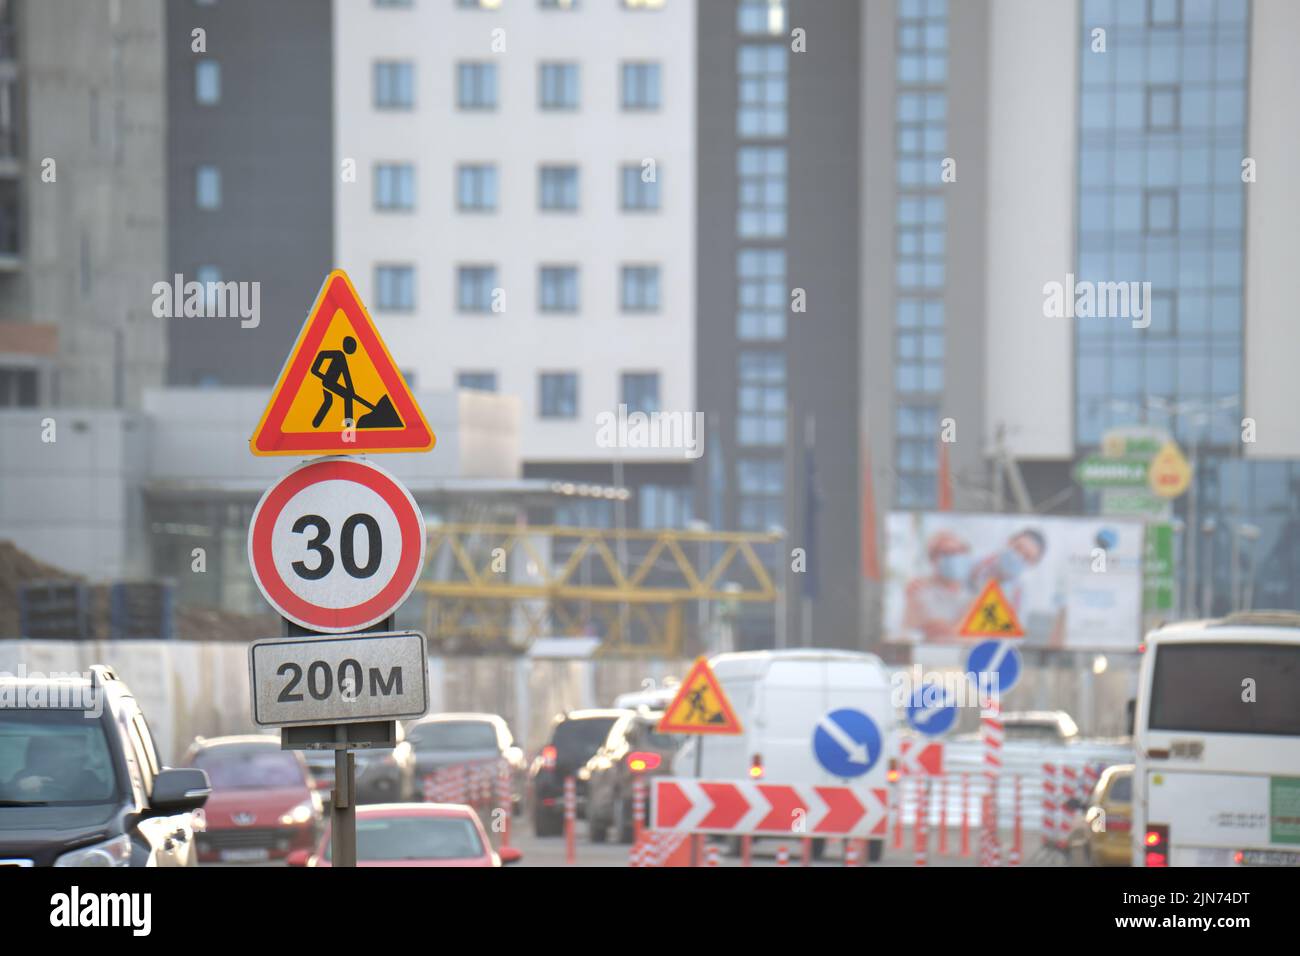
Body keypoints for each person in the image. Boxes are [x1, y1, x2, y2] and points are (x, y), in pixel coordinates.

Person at [902, 530, 974, 641]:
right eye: (946, 553)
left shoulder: (972, 596)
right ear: (933, 559)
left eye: (958, 552)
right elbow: (908, 632)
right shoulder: (919, 592)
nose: (954, 557)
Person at [968, 527, 1047, 615]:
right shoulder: (975, 562)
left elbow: (1014, 625)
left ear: (1032, 564)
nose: (1018, 557)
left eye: (1026, 557)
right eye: (1017, 548)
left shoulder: (1019, 597)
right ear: (1009, 542)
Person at [310, 336, 359, 428]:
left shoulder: (341, 356)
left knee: (328, 401)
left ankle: (315, 424)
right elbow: (321, 354)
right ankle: (348, 425)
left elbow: (346, 375)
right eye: (352, 347)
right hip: (328, 383)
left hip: (330, 383)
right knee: (346, 397)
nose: (352, 350)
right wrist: (316, 370)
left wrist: (351, 389)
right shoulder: (339, 354)